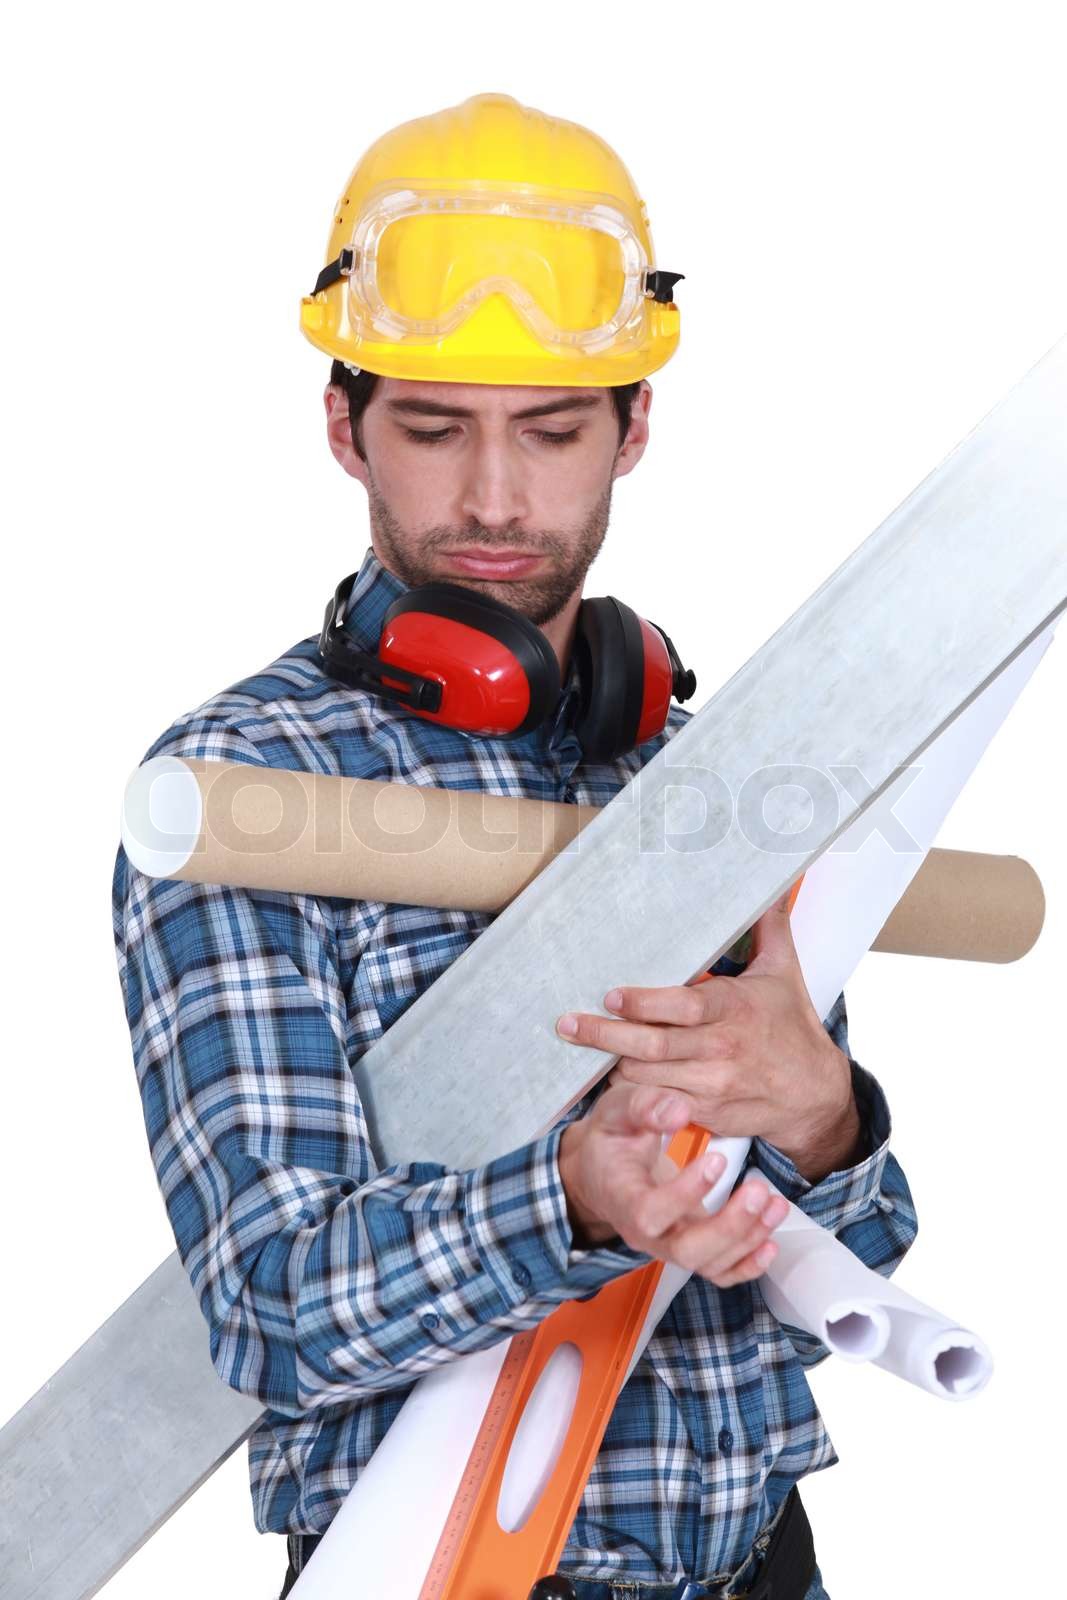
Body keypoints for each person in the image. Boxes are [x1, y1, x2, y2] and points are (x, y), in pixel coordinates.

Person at [111, 93, 917, 1600]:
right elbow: (272, 1309)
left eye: (551, 431)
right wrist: (571, 1199)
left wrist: (824, 1118)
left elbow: (855, 1268)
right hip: (433, 1577)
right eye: (433, 428)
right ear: (345, 425)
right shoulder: (240, 790)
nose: (494, 497)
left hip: (761, 1566)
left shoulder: (701, 776)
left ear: (635, 427)